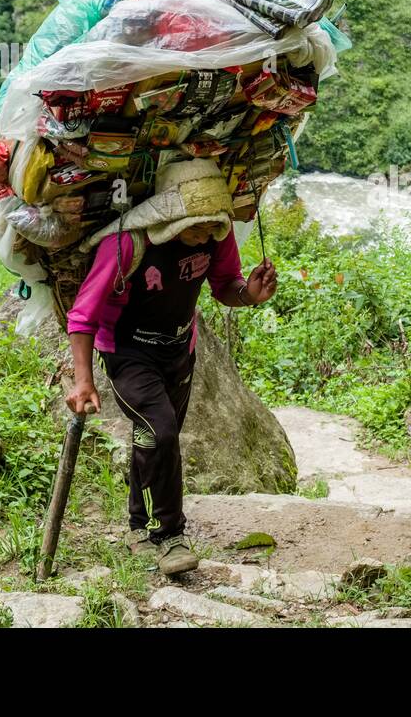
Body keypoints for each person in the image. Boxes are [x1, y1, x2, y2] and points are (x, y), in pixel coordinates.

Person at [63, 159, 277, 575]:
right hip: (127, 352)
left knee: (154, 438)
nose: (203, 235)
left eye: (212, 225)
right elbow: (82, 315)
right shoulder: (127, 245)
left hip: (180, 349)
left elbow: (225, 286)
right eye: (194, 226)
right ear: (169, 216)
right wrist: (83, 381)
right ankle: (170, 537)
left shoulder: (216, 236)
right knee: (159, 430)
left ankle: (139, 527)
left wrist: (249, 295)